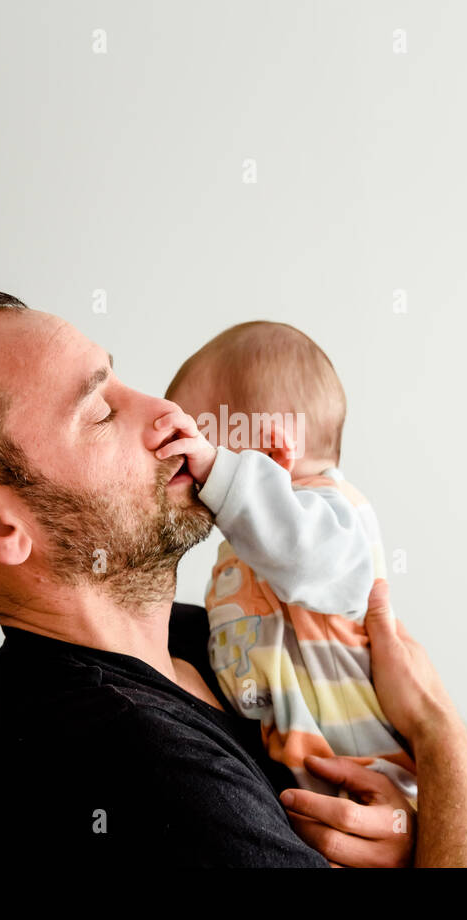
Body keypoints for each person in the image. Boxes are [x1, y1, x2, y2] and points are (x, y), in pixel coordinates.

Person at [0, 290, 467, 866]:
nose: (171, 415)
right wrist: (444, 745)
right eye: (97, 411)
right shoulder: (130, 767)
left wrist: (413, 838)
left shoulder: (208, 641)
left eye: (122, 380)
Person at [162, 322, 417, 806]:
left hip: (370, 768)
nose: (192, 475)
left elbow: (301, 556)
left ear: (272, 453)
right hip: (300, 770)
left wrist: (219, 473)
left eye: (201, 452)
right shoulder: (258, 540)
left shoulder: (335, 516)